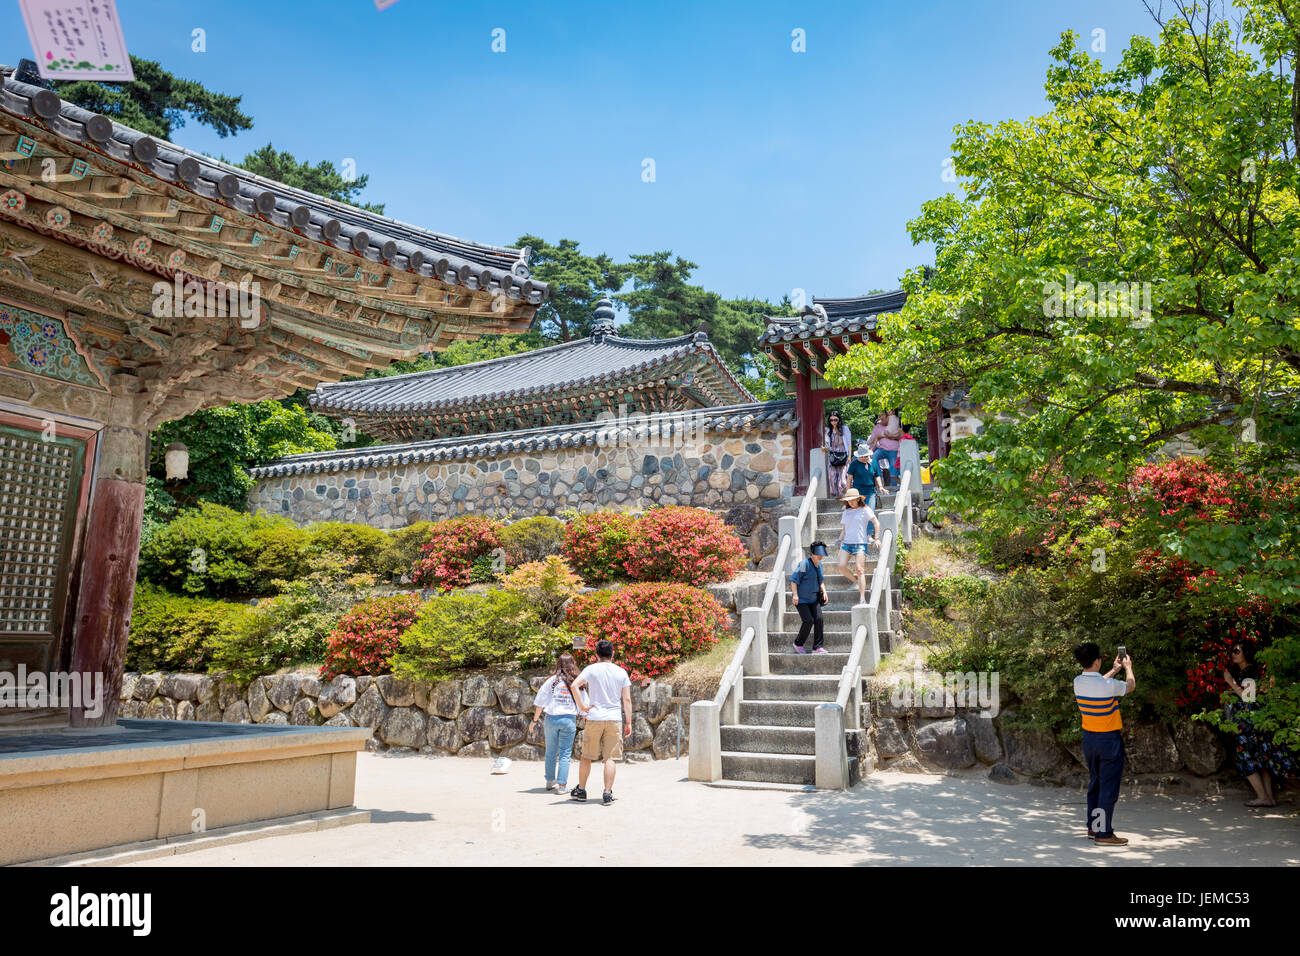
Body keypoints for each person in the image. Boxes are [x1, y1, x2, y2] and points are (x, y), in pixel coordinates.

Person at [1073, 642, 1135, 846]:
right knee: (1108, 787)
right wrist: (1128, 669)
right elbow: (1130, 686)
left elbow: (1098, 683)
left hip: (1089, 739)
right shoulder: (1108, 686)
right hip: (1108, 740)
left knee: (1096, 783)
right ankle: (1103, 833)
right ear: (1097, 661)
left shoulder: (1078, 681)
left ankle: (1093, 826)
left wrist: (1114, 670)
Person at [1224, 641, 1296, 808]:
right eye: (1232, 650)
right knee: (1260, 760)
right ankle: (1268, 798)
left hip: (1250, 722)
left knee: (1246, 758)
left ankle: (1263, 797)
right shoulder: (1245, 671)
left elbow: (1247, 697)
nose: (1233, 653)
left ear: (1245, 653)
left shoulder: (1249, 672)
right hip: (1254, 720)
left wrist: (1230, 681)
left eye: (1237, 650)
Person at [571, 639, 632, 806]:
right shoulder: (621, 672)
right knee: (610, 758)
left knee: (586, 756)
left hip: (594, 717)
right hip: (614, 719)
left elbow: (574, 685)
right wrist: (629, 722)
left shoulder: (591, 669)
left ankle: (581, 790)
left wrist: (582, 706)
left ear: (597, 654)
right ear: (613, 653)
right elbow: (626, 699)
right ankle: (607, 793)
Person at [528, 652, 581, 794]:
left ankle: (550, 781)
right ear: (572, 664)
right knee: (565, 753)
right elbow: (584, 702)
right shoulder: (576, 681)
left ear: (559, 664)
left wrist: (534, 721)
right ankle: (562, 786)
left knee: (551, 751)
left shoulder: (552, 680)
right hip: (568, 719)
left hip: (551, 718)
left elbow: (540, 702)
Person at [836, 488, 881, 604]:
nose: (850, 502)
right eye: (848, 500)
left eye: (852, 500)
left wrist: (876, 538)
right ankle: (856, 582)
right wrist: (839, 540)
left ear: (857, 499)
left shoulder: (865, 509)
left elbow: (876, 522)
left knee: (860, 570)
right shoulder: (846, 512)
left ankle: (862, 598)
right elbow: (844, 529)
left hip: (860, 543)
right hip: (846, 543)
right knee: (841, 566)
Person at [789, 541, 830, 654]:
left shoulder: (820, 565)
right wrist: (795, 595)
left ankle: (817, 647)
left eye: (821, 554)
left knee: (819, 619)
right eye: (818, 554)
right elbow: (793, 580)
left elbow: (820, 581)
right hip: (801, 599)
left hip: (814, 599)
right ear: (812, 553)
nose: (820, 556)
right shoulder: (804, 564)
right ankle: (798, 643)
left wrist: (824, 592)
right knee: (808, 620)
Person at [845, 442, 887, 511]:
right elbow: (849, 478)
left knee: (870, 513)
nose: (864, 458)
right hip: (858, 494)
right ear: (858, 456)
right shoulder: (853, 464)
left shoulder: (874, 463)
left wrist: (880, 487)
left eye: (866, 456)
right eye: (862, 456)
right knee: (860, 514)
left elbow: (877, 476)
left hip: (871, 492)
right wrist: (848, 492)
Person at [867, 410, 903, 490]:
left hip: (893, 450)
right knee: (874, 457)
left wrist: (887, 436)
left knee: (893, 469)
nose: (881, 418)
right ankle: (878, 476)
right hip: (882, 449)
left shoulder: (894, 424)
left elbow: (901, 436)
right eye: (879, 416)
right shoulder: (877, 427)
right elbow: (871, 440)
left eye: (882, 415)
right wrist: (869, 443)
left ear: (888, 417)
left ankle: (893, 487)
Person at [823, 410, 852, 497]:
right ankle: (837, 496)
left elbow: (849, 443)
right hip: (833, 457)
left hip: (843, 456)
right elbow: (827, 445)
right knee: (832, 478)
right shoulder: (828, 430)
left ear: (839, 419)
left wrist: (849, 456)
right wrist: (824, 448)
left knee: (842, 480)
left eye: (835, 419)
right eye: (831, 420)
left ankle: (844, 496)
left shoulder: (844, 429)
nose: (833, 422)